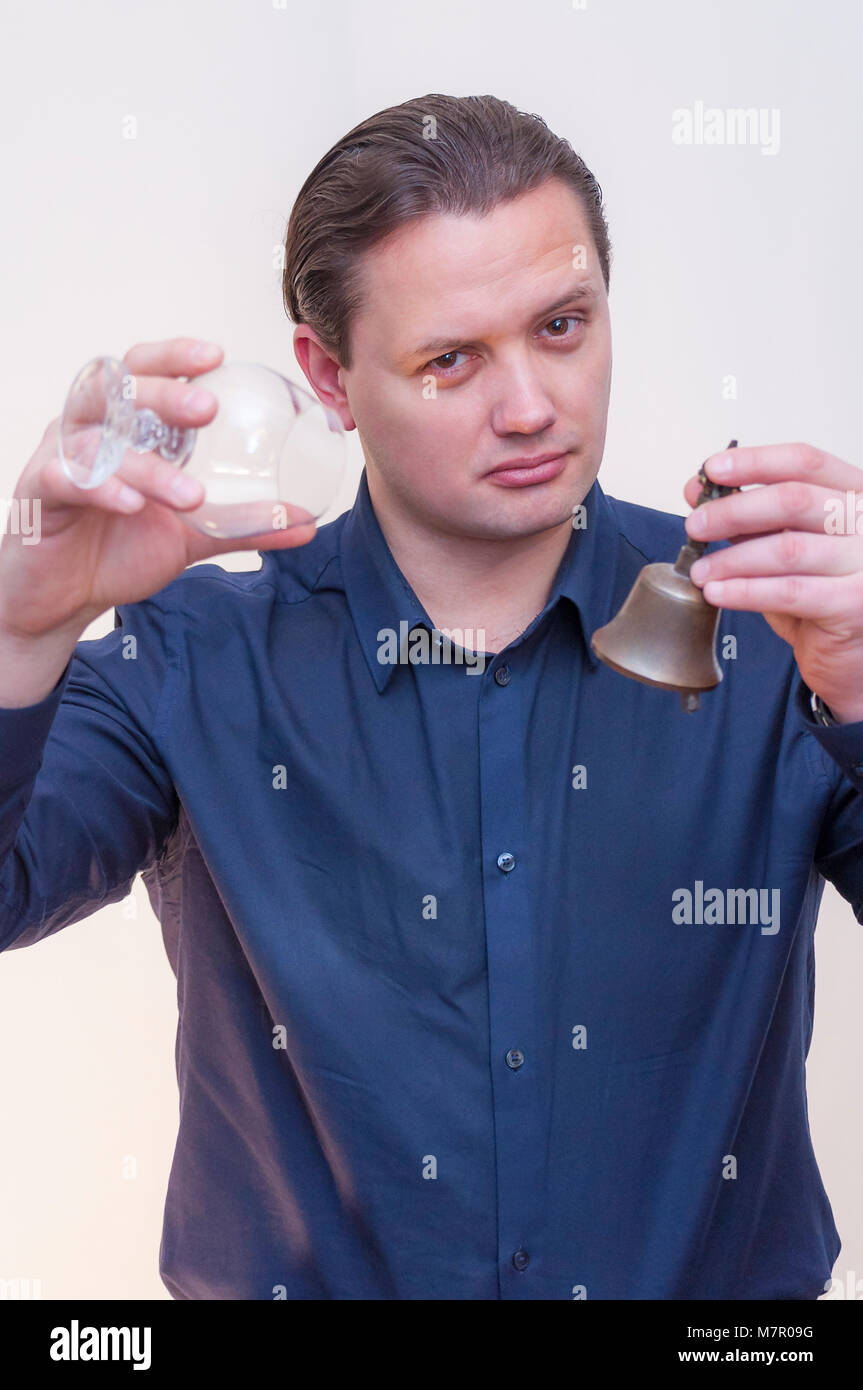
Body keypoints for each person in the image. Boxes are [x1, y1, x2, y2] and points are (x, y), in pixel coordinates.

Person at [1, 93, 862, 1301]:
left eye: (561, 326)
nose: (528, 406)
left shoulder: (784, 636)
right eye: (450, 358)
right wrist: (18, 629)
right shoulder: (191, 658)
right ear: (327, 373)